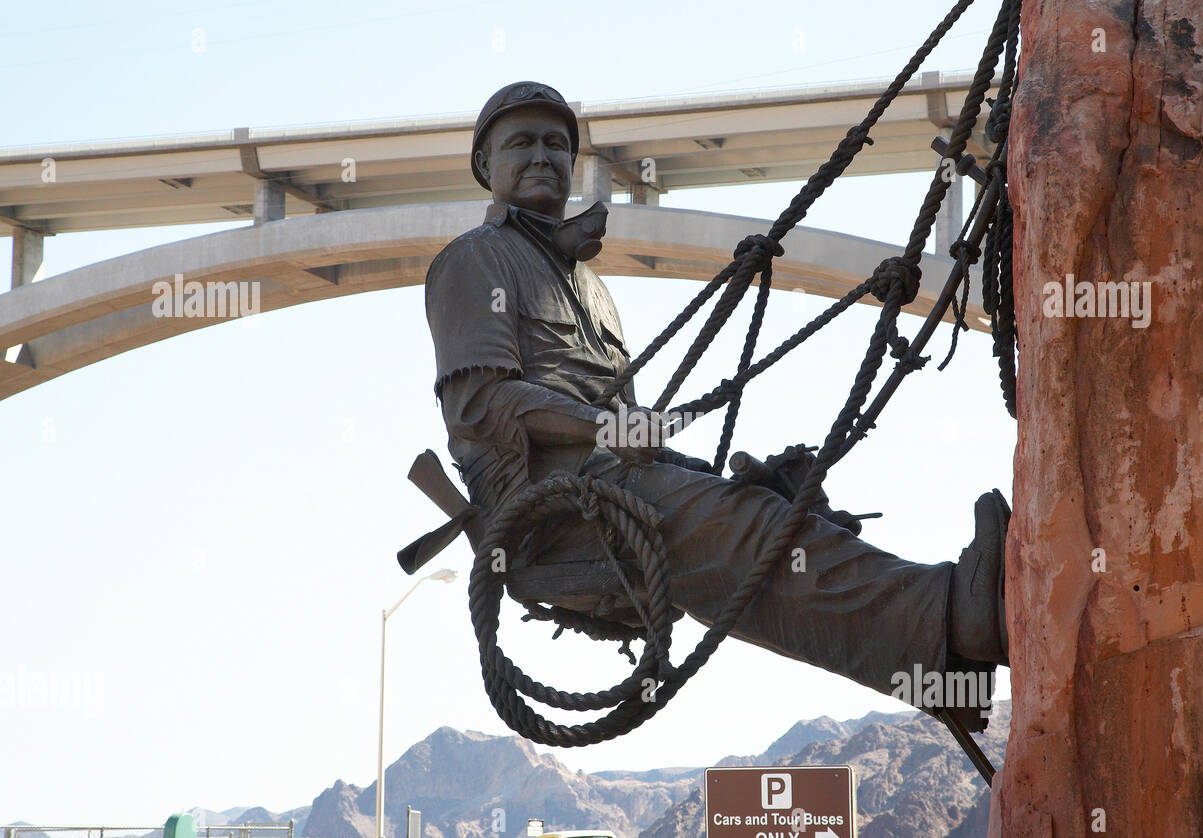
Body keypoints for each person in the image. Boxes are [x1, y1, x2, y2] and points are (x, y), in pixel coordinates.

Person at [424, 81, 1009, 730]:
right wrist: (606, 425)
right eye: (521, 143)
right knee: (744, 524)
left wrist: (653, 448)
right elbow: (480, 403)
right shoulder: (474, 261)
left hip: (606, 484)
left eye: (556, 144)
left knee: (777, 508)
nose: (542, 156)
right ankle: (955, 615)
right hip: (550, 513)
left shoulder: (585, 283)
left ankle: (945, 662)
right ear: (485, 166)